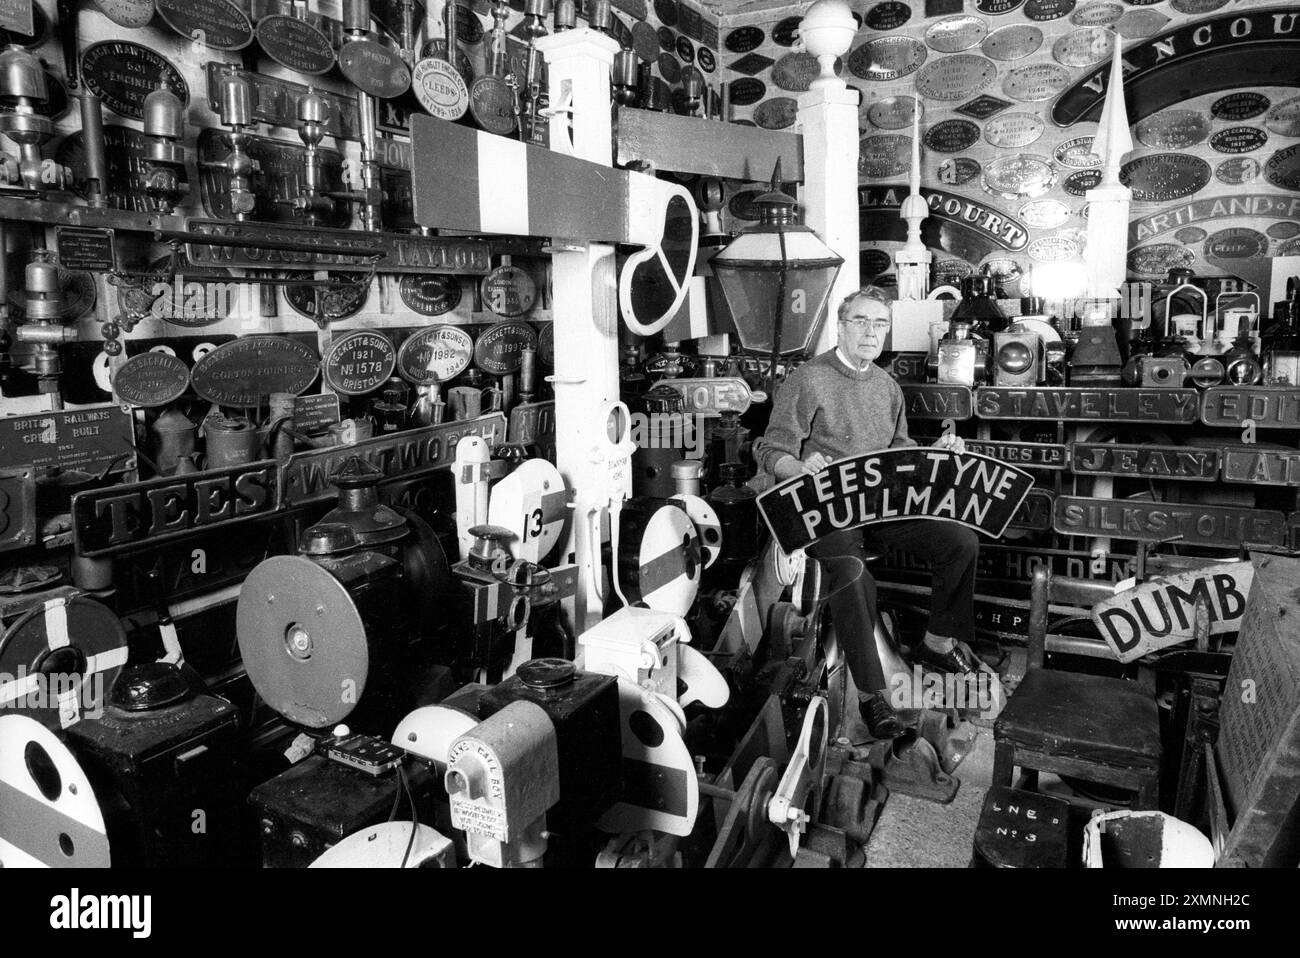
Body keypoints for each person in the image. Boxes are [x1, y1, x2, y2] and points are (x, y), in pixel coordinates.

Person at [753, 286, 981, 739]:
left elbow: (899, 455)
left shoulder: (886, 386)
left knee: (960, 540)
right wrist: (799, 468)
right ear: (841, 325)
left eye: (880, 324)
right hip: (821, 511)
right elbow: (769, 448)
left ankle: (936, 643)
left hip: (876, 508)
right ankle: (872, 695)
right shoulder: (809, 378)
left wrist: (935, 453)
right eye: (861, 321)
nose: (870, 332)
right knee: (854, 572)